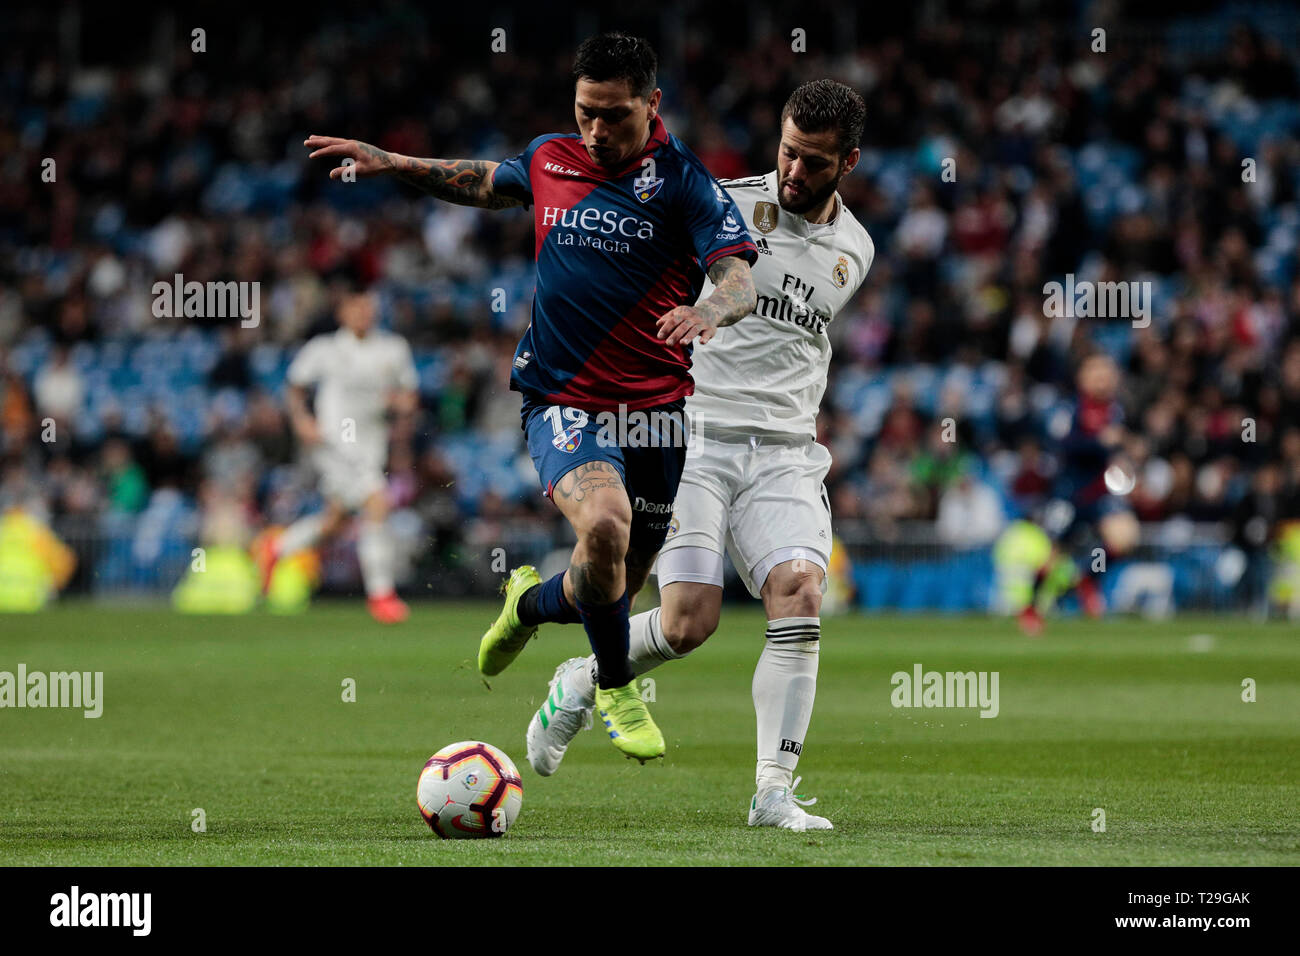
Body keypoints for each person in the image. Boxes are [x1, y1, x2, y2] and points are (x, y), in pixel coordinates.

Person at [305, 32, 757, 761]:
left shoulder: (684, 182)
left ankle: (524, 604)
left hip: (654, 416)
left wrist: (712, 309)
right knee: (604, 526)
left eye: (614, 115)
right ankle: (614, 684)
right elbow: (484, 180)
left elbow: (737, 272)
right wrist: (393, 164)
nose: (597, 131)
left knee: (604, 584)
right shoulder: (552, 157)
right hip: (561, 397)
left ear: (653, 104)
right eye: (586, 113)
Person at [526, 79, 875, 830]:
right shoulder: (718, 202)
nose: (792, 173)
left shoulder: (858, 250)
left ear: (848, 161)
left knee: (802, 596)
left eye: (813, 162)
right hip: (692, 431)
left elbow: (802, 347)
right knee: (687, 623)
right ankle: (584, 677)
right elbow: (713, 277)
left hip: (786, 450)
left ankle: (773, 793)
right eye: (786, 152)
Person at [254, 287, 418, 624]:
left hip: (372, 445)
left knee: (336, 521)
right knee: (377, 501)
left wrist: (399, 405)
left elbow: (409, 397)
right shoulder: (324, 349)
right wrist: (302, 421)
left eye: (368, 308)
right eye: (355, 308)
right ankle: (381, 595)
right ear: (342, 313)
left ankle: (276, 549)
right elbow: (294, 386)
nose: (363, 314)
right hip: (335, 441)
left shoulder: (393, 349)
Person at [1018, 352, 1139, 635]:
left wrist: (1125, 451)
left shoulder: (1116, 410)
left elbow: (1114, 446)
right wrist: (1098, 442)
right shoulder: (1069, 409)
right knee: (1053, 553)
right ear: (1083, 377)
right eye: (1097, 371)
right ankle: (1031, 608)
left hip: (1100, 491)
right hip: (1070, 490)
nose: (1104, 377)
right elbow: (1061, 445)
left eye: (1108, 371)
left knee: (1125, 536)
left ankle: (1087, 578)